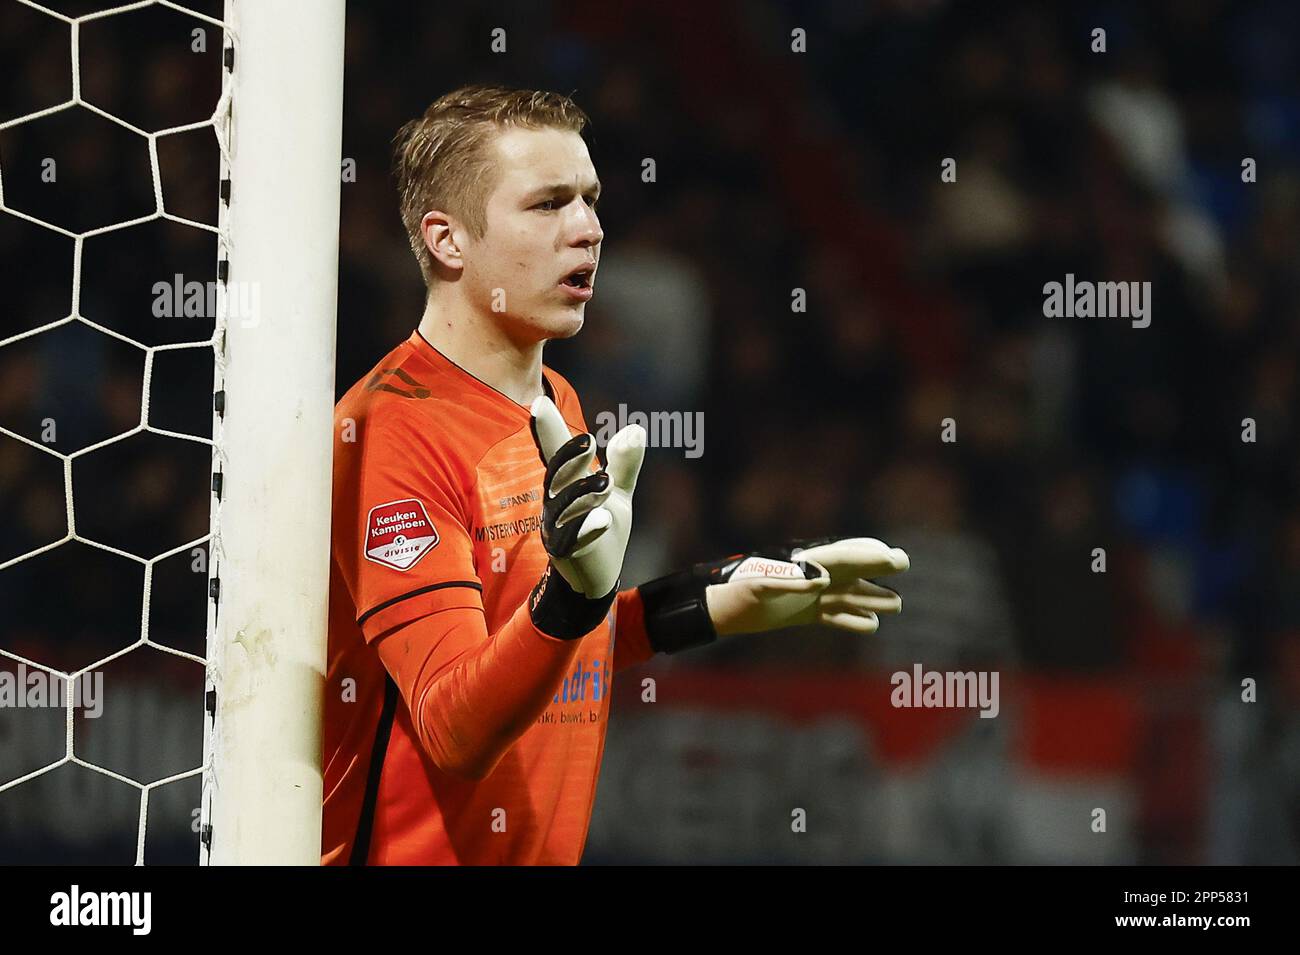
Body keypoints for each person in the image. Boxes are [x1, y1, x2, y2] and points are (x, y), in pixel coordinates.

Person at [322, 84, 911, 865]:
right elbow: (452, 725)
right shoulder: (393, 430)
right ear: (449, 240)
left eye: (592, 200)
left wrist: (709, 603)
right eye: (548, 204)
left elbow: (548, 642)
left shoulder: (553, 399)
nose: (590, 230)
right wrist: (574, 598)